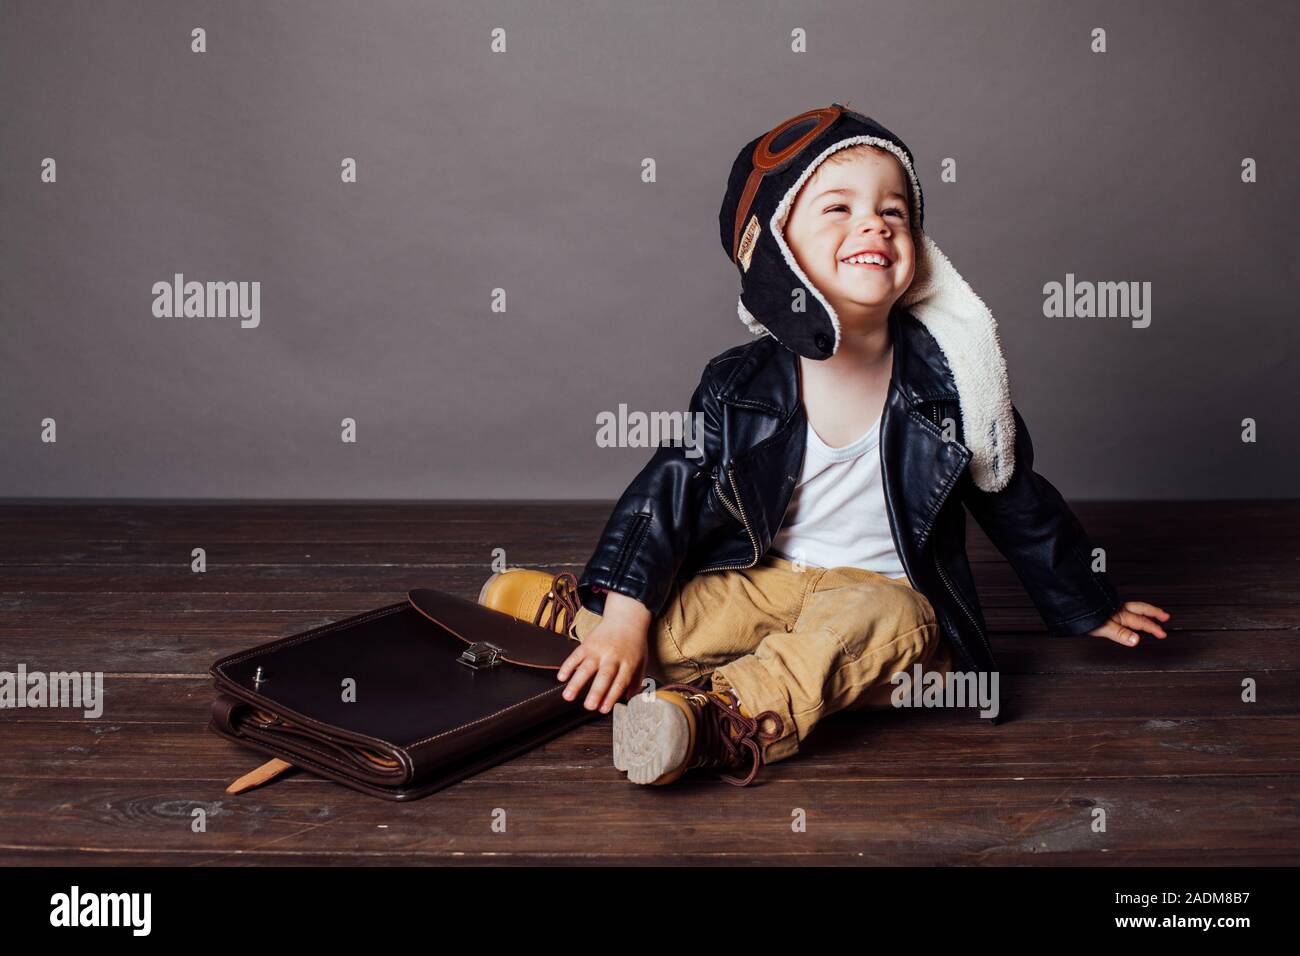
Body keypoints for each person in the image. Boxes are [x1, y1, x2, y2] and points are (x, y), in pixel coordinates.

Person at [480, 103, 1170, 788]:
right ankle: (593, 626)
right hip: (770, 578)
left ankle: (721, 718)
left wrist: (1086, 599)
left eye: (894, 211)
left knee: (871, 625)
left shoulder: (954, 384)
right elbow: (668, 491)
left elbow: (1015, 496)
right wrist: (629, 614)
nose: (873, 222)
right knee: (686, 615)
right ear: (778, 253)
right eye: (837, 209)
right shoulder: (738, 384)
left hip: (889, 599)